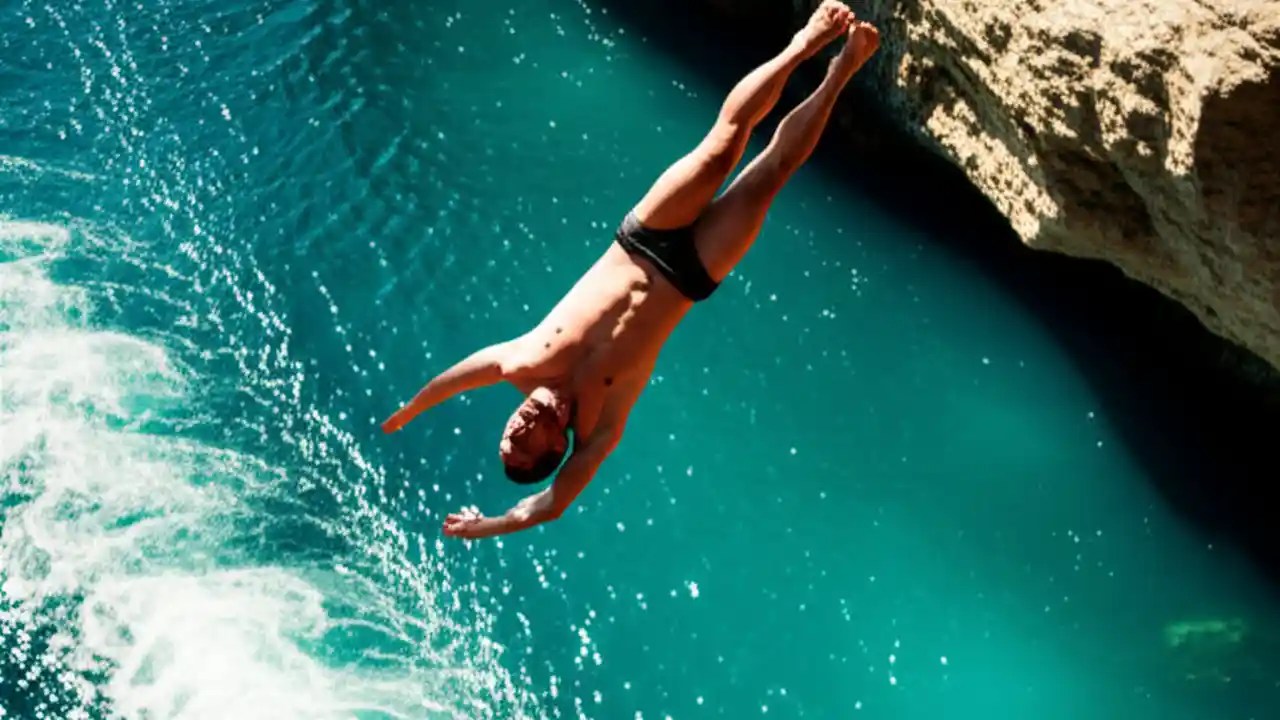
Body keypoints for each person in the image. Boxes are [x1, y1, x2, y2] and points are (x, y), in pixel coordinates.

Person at [382, 2, 880, 539]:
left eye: (510, 429)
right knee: (771, 173)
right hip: (691, 275)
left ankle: (804, 43)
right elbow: (548, 507)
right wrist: (487, 526)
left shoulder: (519, 362)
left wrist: (409, 411)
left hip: (642, 239)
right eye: (524, 441)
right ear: (554, 448)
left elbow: (453, 380)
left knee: (723, 145)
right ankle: (841, 71)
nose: (518, 423)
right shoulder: (598, 429)